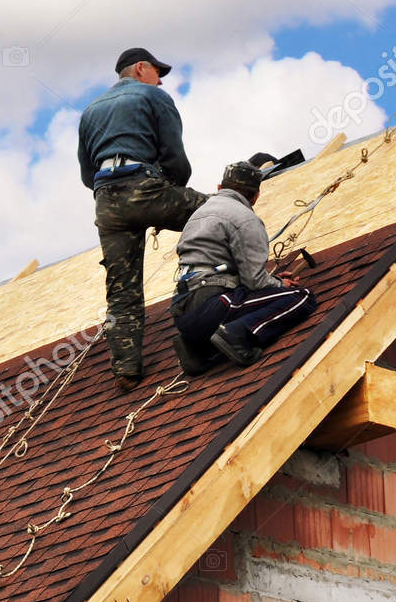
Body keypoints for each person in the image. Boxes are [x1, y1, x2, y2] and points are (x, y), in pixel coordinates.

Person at [77, 47, 205, 392]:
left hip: (107, 203)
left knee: (122, 290)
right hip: (145, 186)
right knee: (218, 211)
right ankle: (235, 288)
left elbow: (87, 174)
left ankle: (126, 370)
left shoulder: (90, 111)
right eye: (157, 72)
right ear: (140, 68)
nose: (160, 81)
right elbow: (175, 156)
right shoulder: (153, 97)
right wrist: (168, 194)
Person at [170, 159, 316, 374]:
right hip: (215, 303)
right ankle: (238, 334)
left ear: (220, 187)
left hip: (183, 313)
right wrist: (280, 285)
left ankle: (198, 348)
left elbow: (222, 268)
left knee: (248, 300)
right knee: (301, 296)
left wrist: (273, 280)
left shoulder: (197, 215)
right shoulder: (245, 219)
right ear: (256, 196)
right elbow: (254, 281)